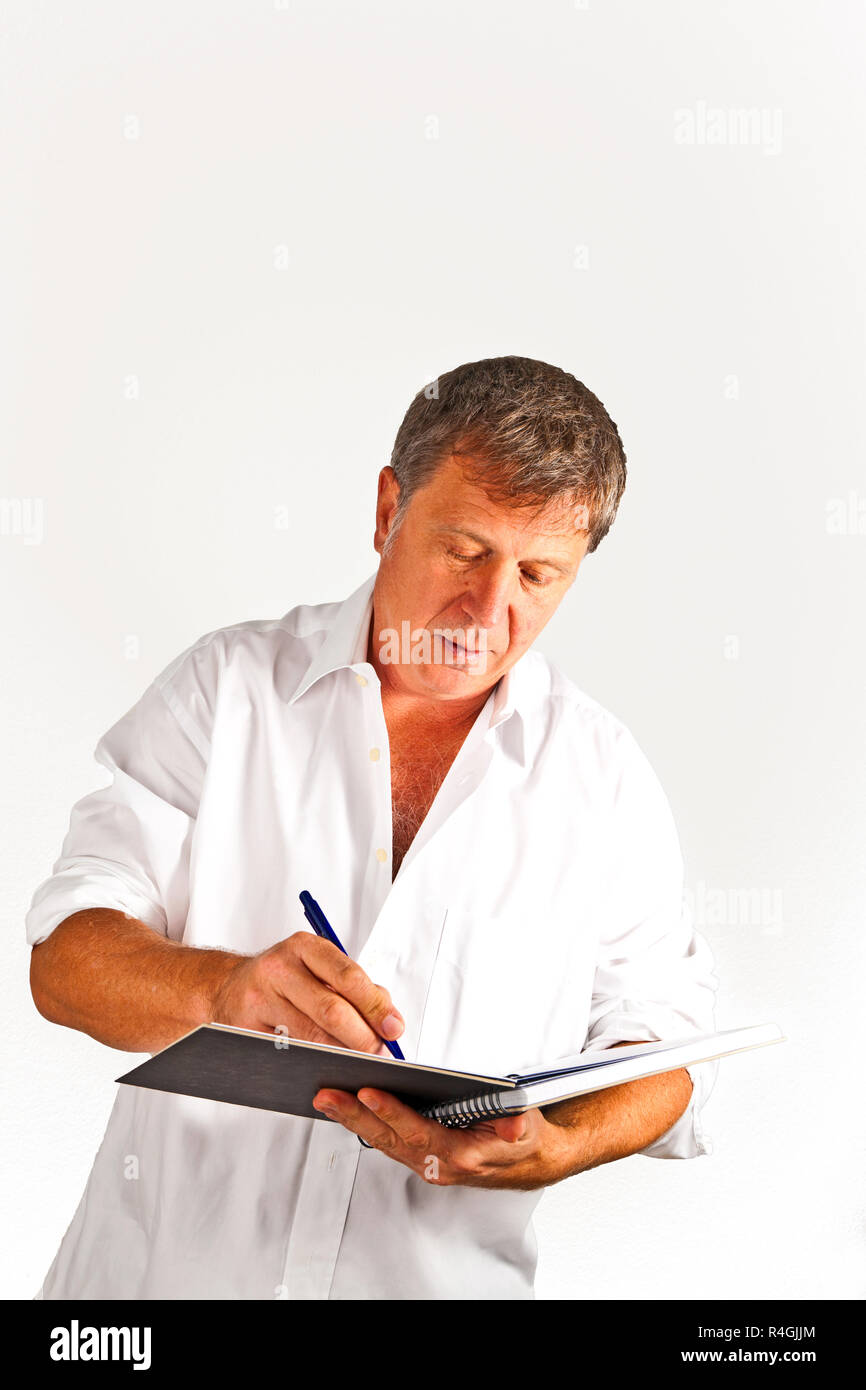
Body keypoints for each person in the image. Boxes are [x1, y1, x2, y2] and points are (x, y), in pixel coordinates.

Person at [26, 355, 718, 1300]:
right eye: (465, 550)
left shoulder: (602, 778)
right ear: (390, 508)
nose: (490, 609)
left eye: (539, 573)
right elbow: (66, 963)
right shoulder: (227, 691)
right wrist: (223, 987)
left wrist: (563, 1145)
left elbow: (666, 1050)